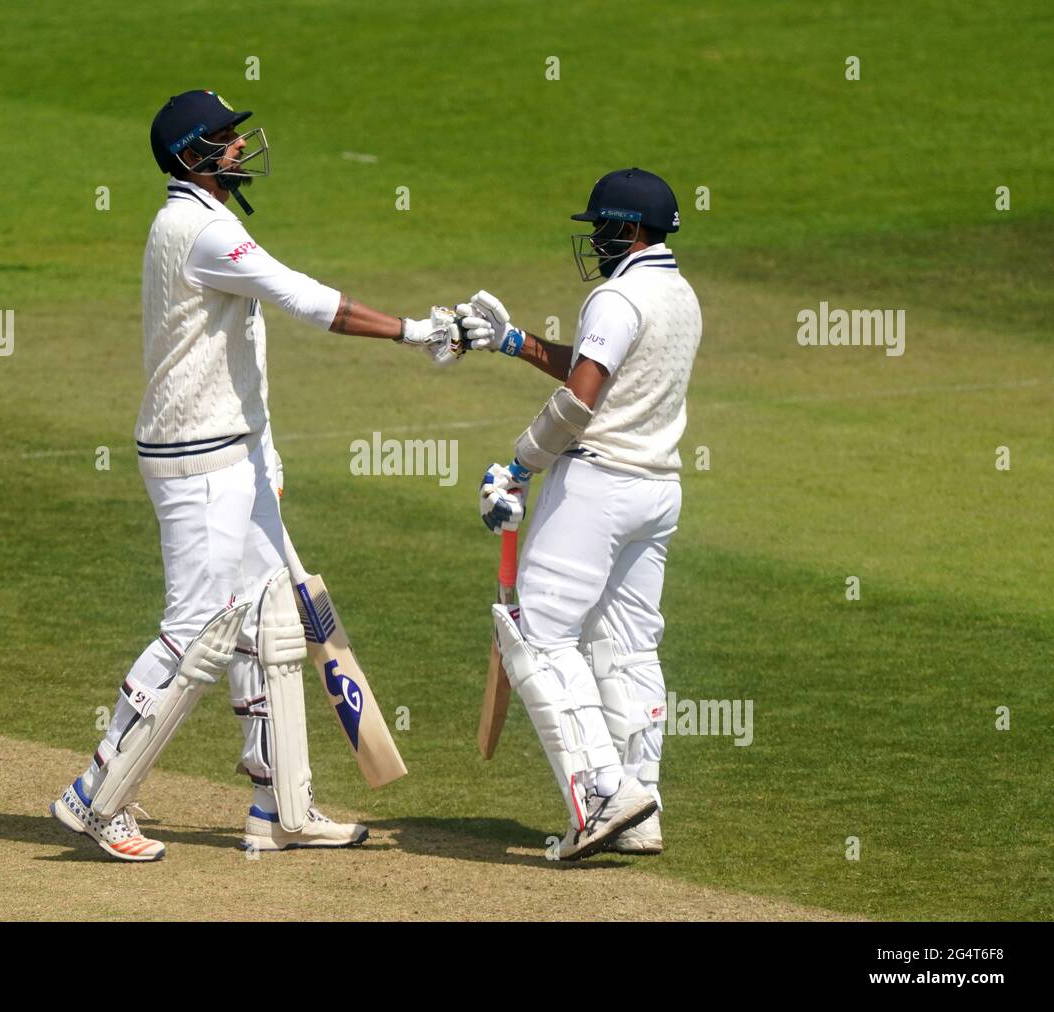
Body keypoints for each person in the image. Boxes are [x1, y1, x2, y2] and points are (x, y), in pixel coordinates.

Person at [50, 89, 458, 861]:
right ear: (190, 155)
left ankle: (282, 809)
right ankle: (96, 796)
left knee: (270, 623)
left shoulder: (212, 222)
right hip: (194, 459)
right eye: (224, 139)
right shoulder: (195, 228)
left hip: (233, 453)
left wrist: (265, 458)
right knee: (195, 632)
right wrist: (419, 332)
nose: (239, 147)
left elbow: (243, 356)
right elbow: (307, 300)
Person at [462, 168, 702, 859]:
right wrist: (518, 344)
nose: (594, 240)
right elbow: (601, 374)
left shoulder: (616, 296)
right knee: (628, 646)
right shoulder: (680, 295)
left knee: (537, 635)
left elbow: (580, 401)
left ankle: (602, 793)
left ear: (628, 229)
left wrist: (518, 466)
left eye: (601, 227)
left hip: (597, 487)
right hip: (657, 491)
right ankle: (642, 804)